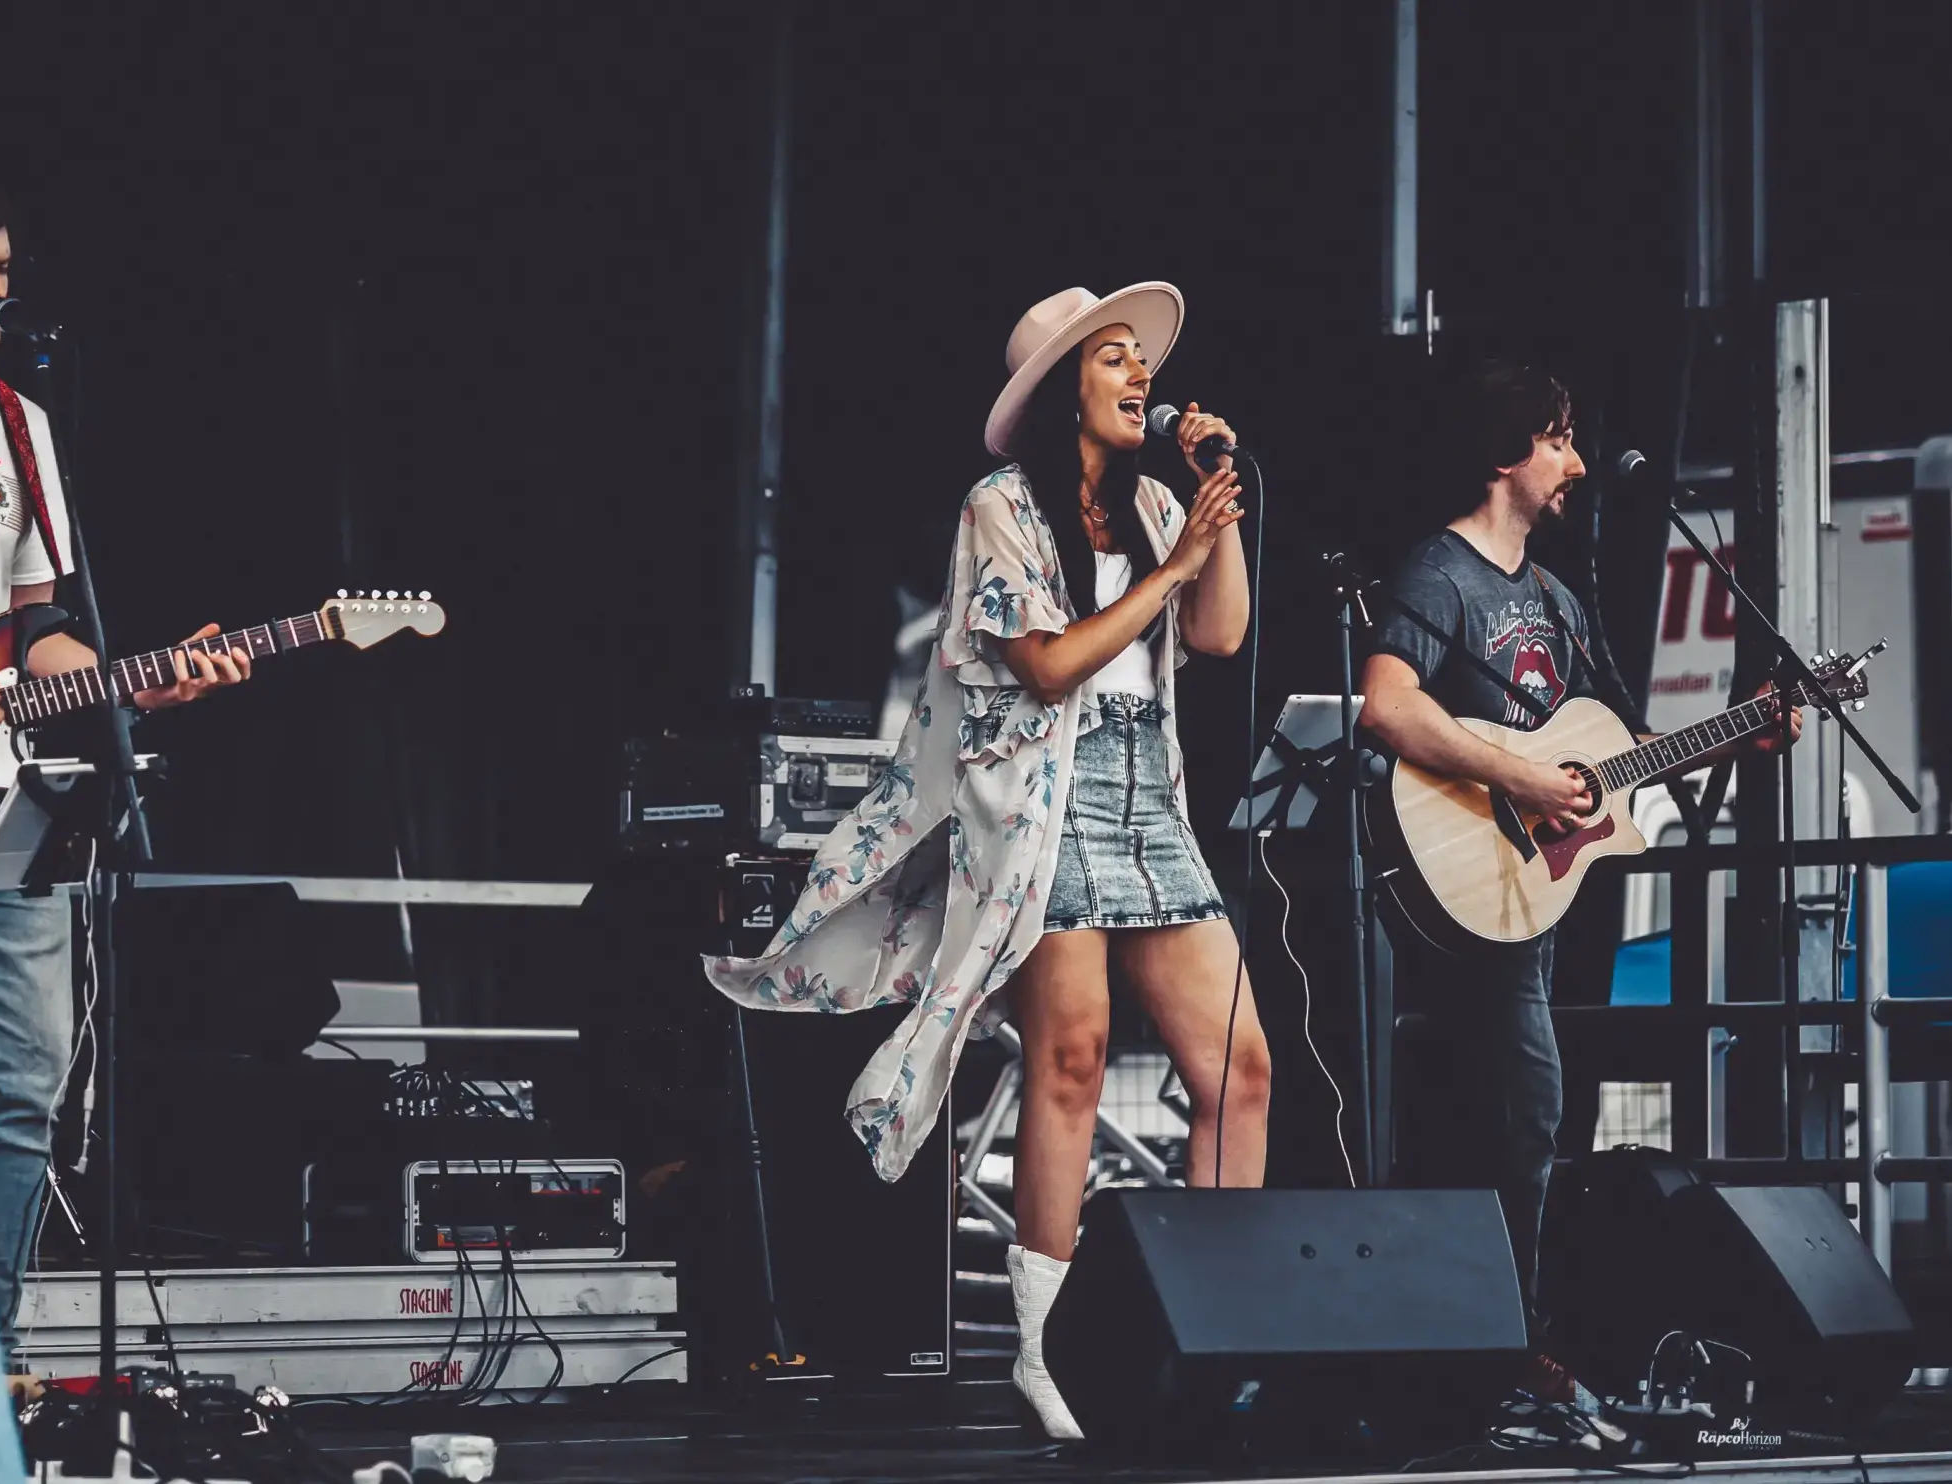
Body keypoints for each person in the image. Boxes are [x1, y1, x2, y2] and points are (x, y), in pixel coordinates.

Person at [707, 284, 1269, 1439]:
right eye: (1112, 358)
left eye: (1140, 360)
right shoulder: (999, 506)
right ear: (1067, 384)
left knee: (1241, 1065)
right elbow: (1049, 667)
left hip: (1145, 789)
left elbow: (1217, 636)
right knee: (1070, 1055)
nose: (1138, 376)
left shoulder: (1163, 502)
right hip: (1040, 794)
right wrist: (1174, 569)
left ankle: (1226, 1325)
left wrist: (1217, 518)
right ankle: (1044, 1347)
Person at [0, 176, 248, 1367]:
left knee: (26, 1076)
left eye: (6, 269)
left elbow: (38, 624)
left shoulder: (25, 423)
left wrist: (133, 675)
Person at [1360, 360, 1794, 1393]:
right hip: (1455, 875)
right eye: (1557, 439)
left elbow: (1609, 749)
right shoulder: (1440, 570)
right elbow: (1384, 703)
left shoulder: (1554, 596)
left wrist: (1732, 734)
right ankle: (1495, 1349)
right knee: (1516, 1110)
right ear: (1502, 454)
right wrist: (1518, 771)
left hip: (1524, 899)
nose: (1578, 463)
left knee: (1519, 1116)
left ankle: (1501, 1343)